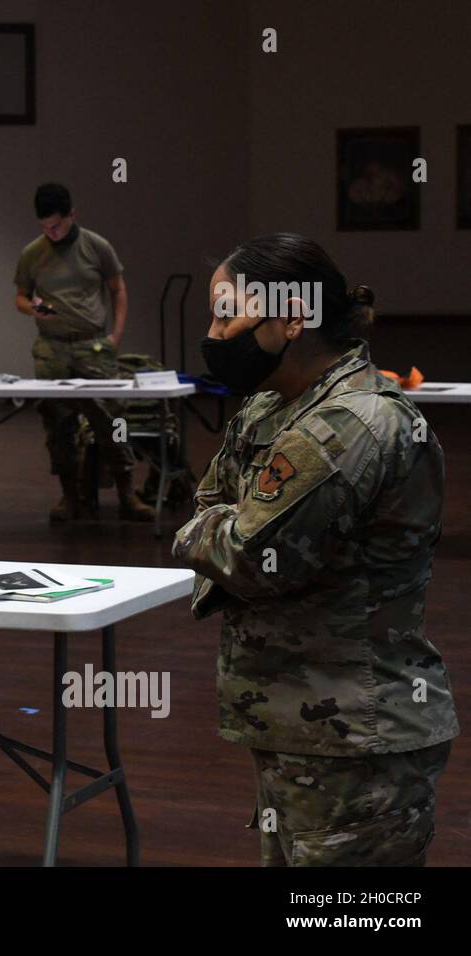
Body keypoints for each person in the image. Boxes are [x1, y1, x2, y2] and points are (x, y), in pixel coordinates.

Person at [173, 232, 458, 866]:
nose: (214, 334)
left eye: (228, 312)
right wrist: (217, 525)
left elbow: (243, 555)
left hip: (359, 736)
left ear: (292, 318)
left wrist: (206, 531)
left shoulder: (350, 424)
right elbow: (211, 506)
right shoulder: (273, 407)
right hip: (299, 720)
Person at [13, 183, 153, 522]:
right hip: (52, 350)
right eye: (45, 226)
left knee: (110, 420)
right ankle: (69, 497)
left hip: (93, 346)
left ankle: (126, 494)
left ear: (72, 215)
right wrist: (33, 308)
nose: (51, 231)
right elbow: (19, 297)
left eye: (57, 225)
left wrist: (115, 336)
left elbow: (118, 290)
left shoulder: (96, 246)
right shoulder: (33, 253)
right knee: (58, 425)